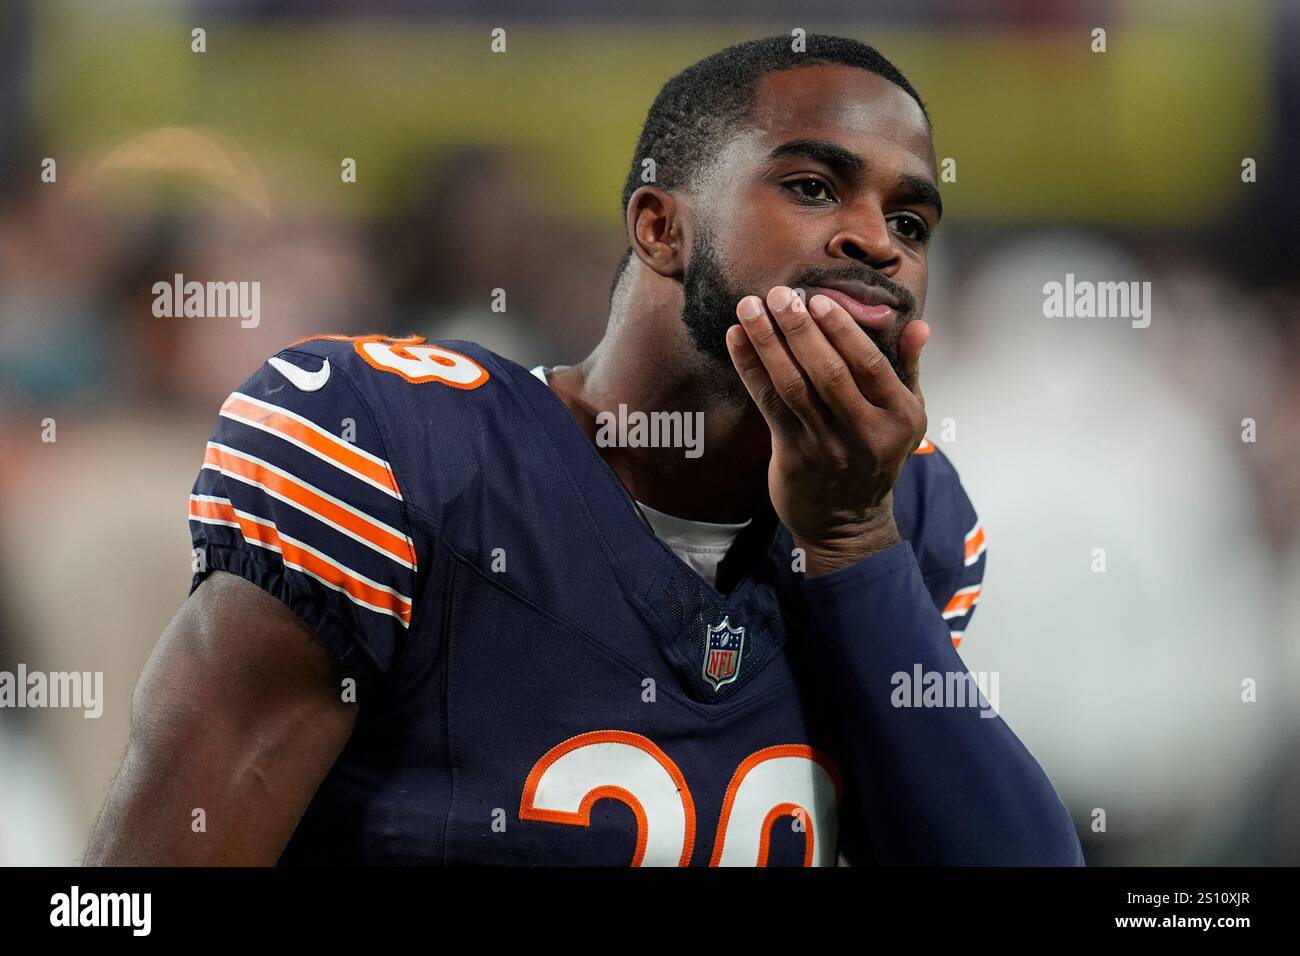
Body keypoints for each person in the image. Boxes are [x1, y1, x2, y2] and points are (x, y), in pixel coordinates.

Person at [85, 34, 1082, 866]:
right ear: (659, 226)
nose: (877, 239)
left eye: (910, 219)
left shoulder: (905, 515)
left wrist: (854, 543)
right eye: (816, 185)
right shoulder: (398, 448)